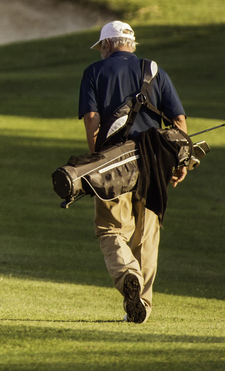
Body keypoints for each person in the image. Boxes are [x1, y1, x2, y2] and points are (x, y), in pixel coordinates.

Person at [78, 20, 189, 324]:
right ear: (131, 44)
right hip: (154, 162)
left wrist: (95, 159)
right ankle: (140, 307)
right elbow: (178, 121)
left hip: (114, 164)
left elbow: (91, 118)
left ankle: (128, 276)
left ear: (107, 44)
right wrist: (181, 162)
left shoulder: (94, 72)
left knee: (110, 229)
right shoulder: (153, 69)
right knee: (146, 236)